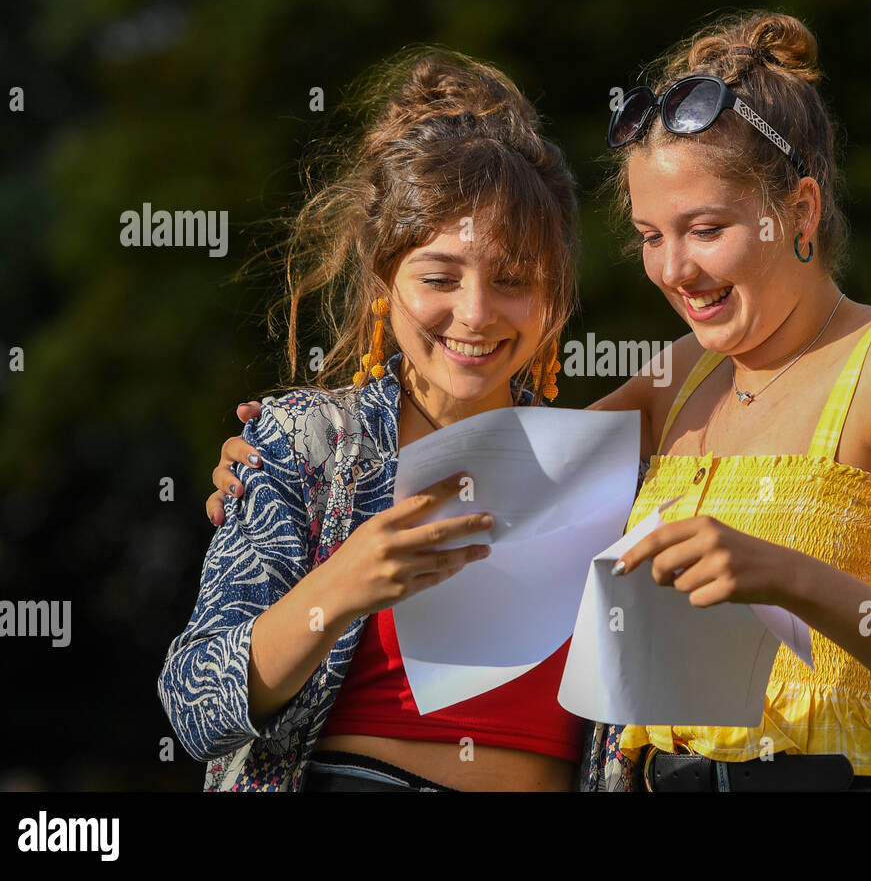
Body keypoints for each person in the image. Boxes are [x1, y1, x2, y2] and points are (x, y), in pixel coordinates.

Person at [205, 10, 871, 792]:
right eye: (652, 237)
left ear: (798, 210)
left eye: (705, 228)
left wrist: (785, 575)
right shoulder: (680, 379)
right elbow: (481, 453)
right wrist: (281, 461)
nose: (674, 270)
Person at [158, 47, 593, 791]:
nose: (476, 313)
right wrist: (343, 585)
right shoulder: (306, 445)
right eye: (439, 277)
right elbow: (195, 706)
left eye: (514, 279)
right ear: (383, 279)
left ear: (554, 295)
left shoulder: (607, 471)